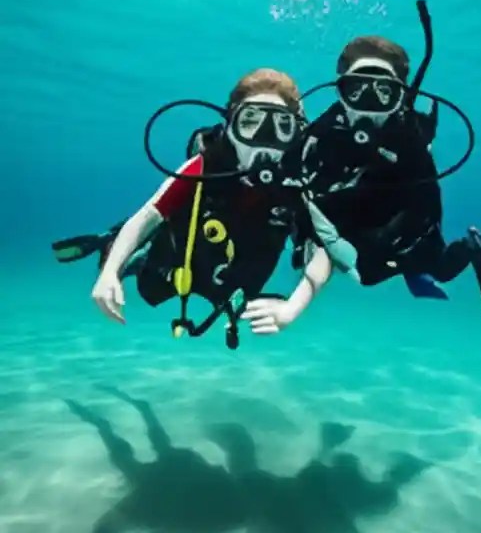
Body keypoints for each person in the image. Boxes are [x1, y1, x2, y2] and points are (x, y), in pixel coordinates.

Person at [53, 69, 333, 347]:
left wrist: (294, 307)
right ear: (230, 126)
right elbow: (150, 213)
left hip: (239, 269)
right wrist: (110, 272)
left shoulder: (301, 179)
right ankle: (116, 247)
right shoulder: (205, 164)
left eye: (282, 126)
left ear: (296, 132)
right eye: (250, 123)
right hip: (184, 256)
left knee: (238, 297)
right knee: (152, 283)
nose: (264, 139)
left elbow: (325, 244)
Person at [292, 35, 481, 330]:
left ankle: (473, 248)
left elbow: (427, 207)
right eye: (356, 89)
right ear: (341, 91)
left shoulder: (409, 140)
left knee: (438, 270)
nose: (369, 104)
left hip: (400, 220)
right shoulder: (322, 133)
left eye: (384, 92)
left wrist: (386, 243)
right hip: (352, 214)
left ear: (400, 96)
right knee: (364, 274)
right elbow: (296, 186)